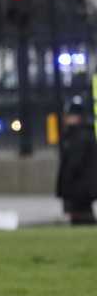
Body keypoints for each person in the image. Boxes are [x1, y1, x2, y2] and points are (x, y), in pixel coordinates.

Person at [55, 96, 97, 225]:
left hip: (79, 187)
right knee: (83, 215)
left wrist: (65, 184)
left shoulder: (78, 136)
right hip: (85, 187)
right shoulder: (85, 133)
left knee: (81, 217)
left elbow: (74, 163)